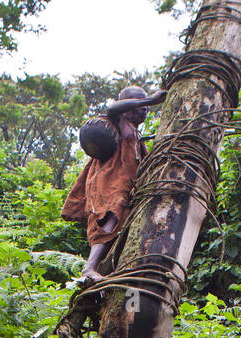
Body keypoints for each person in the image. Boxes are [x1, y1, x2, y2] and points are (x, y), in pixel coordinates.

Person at [61, 86, 167, 282]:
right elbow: (112, 108)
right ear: (126, 106)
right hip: (109, 184)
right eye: (138, 102)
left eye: (145, 105)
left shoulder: (136, 135)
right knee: (109, 218)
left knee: (122, 224)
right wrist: (150, 100)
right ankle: (89, 268)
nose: (144, 108)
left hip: (127, 189)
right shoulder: (117, 122)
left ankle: (105, 271)